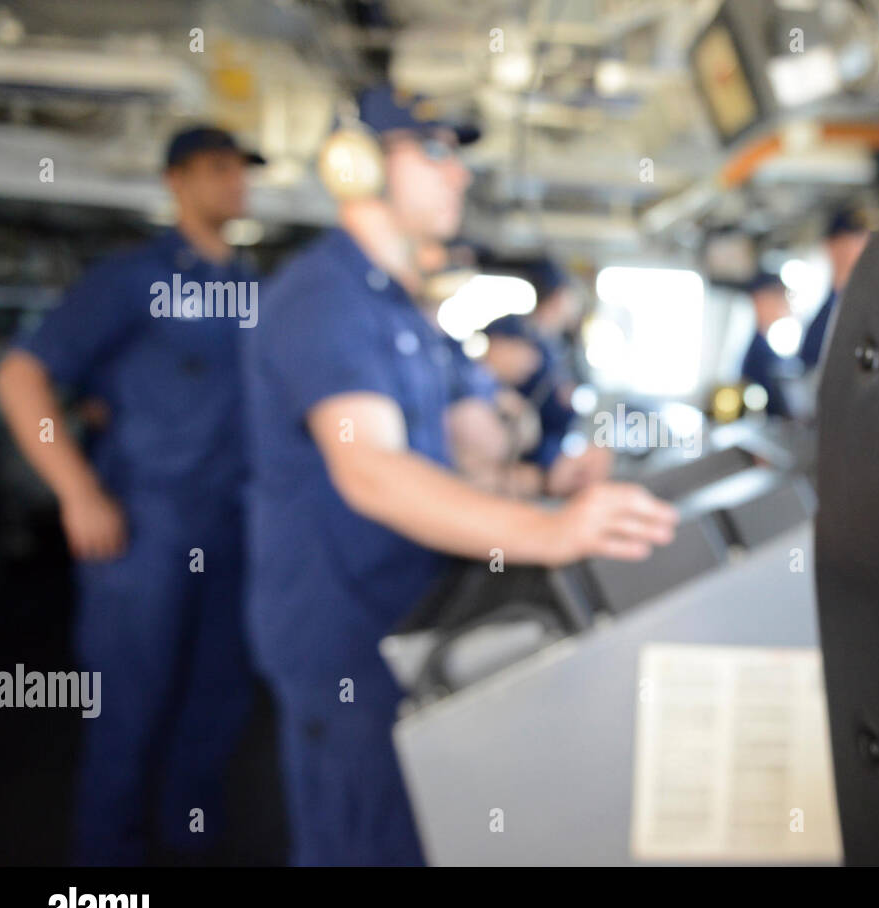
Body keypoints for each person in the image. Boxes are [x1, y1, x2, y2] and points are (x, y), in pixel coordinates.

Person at [242, 87, 678, 866]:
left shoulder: (404, 313)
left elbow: (452, 464)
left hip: (405, 614)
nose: (460, 176)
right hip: (341, 632)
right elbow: (371, 468)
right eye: (435, 151)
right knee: (359, 843)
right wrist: (548, 531)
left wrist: (548, 489)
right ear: (360, 165)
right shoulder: (324, 297)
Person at [0, 125, 263, 864]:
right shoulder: (134, 278)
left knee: (215, 707)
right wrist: (78, 491)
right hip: (146, 525)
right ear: (175, 181)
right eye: (217, 168)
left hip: (231, 524)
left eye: (241, 169)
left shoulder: (254, 288)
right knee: (128, 712)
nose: (235, 182)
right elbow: (21, 376)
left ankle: (190, 848)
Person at [482, 258, 612, 494]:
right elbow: (486, 373)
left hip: (557, 444)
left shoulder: (561, 345)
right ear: (560, 297)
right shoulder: (514, 330)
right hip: (524, 445)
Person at [799, 207, 871, 370]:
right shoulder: (825, 317)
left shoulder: (873, 302)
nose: (861, 247)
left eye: (863, 239)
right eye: (852, 240)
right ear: (831, 246)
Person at [740, 271, 800, 419]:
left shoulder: (760, 347)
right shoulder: (759, 352)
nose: (785, 306)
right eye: (779, 298)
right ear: (760, 300)